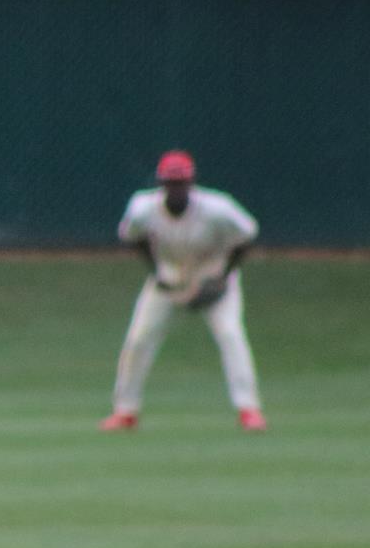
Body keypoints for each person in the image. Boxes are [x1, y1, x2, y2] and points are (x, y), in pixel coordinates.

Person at [100, 150, 266, 433]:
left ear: (191, 182)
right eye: (171, 182)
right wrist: (156, 272)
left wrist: (222, 278)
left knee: (230, 335)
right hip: (169, 275)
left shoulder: (217, 208)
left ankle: (249, 410)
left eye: (181, 182)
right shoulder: (143, 207)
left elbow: (247, 236)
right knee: (139, 338)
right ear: (161, 184)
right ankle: (125, 412)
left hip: (212, 274)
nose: (176, 188)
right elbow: (132, 237)